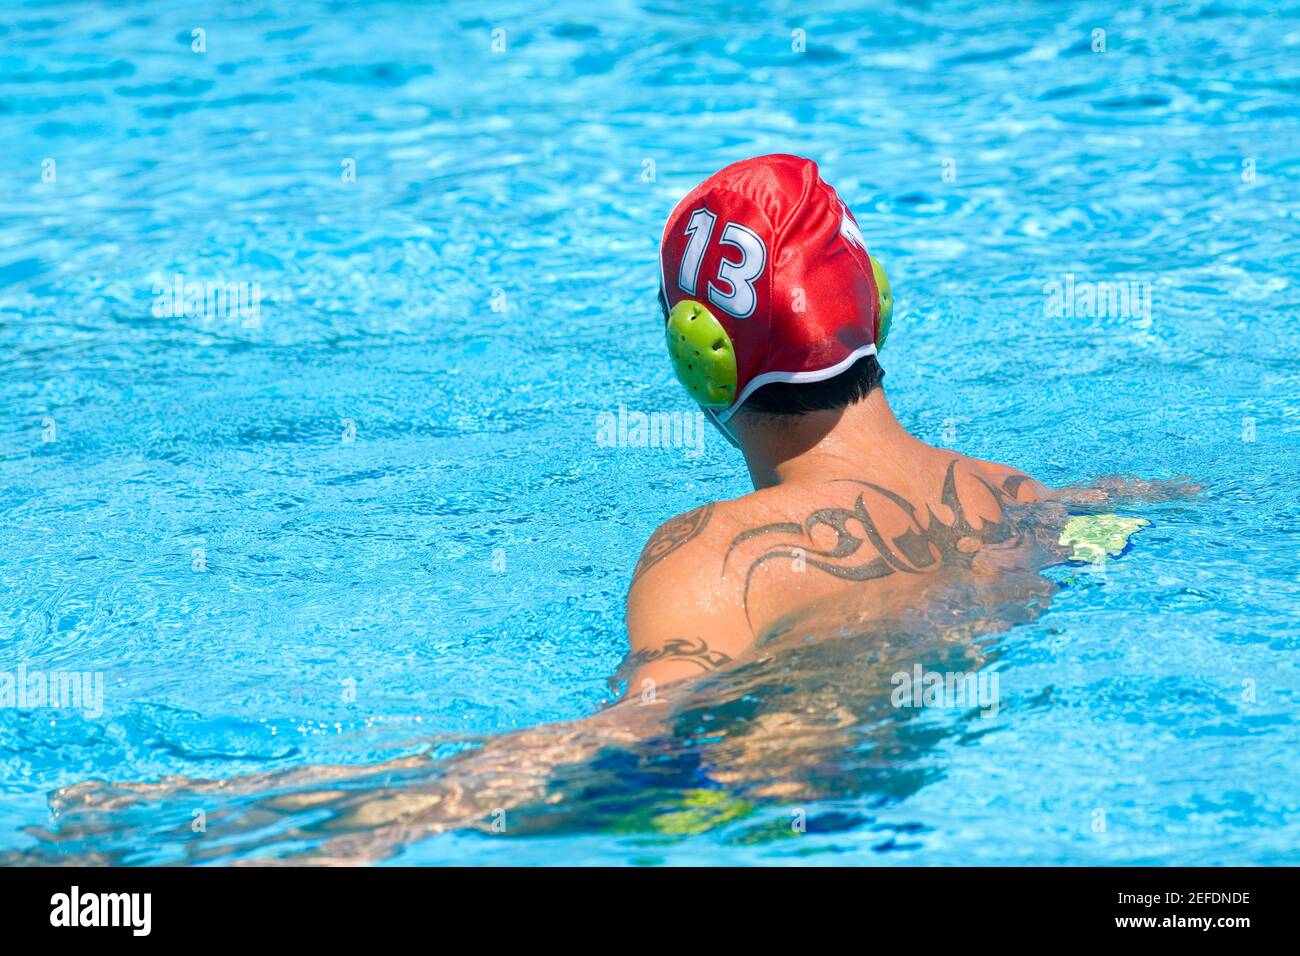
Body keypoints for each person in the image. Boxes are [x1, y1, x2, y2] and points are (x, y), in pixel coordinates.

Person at [625, 153, 1057, 691]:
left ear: (698, 354)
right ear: (875, 303)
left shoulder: (711, 557)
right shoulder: (1020, 499)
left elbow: (642, 736)